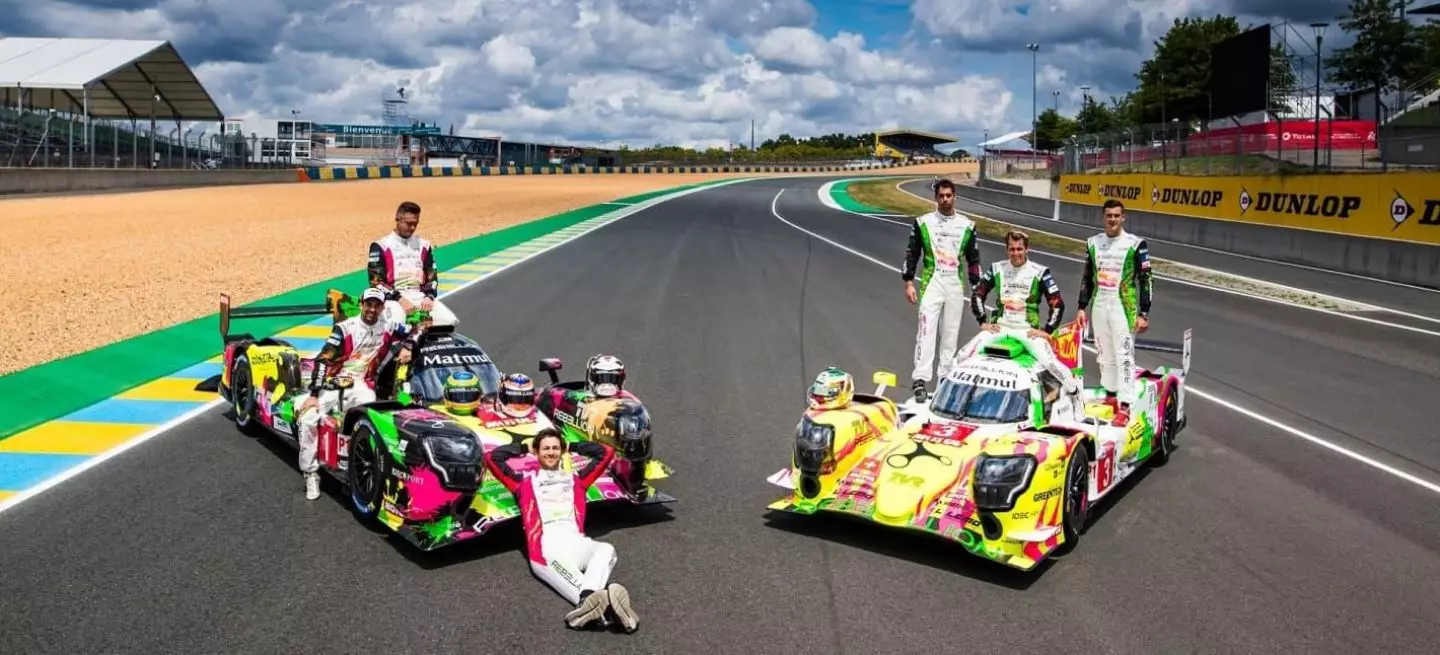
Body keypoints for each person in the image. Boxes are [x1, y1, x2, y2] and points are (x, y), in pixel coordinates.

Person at [484, 429, 640, 633]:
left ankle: (587, 609)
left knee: (606, 550)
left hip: (577, 542)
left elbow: (605, 452)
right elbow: (492, 458)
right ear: (537, 452)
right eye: (546, 448)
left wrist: (571, 445)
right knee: (592, 594)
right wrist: (524, 446)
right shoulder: (523, 483)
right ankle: (617, 614)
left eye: (556, 448)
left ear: (562, 451)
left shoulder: (577, 480)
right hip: (547, 552)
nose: (551, 452)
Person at [296, 288, 414, 500]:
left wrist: (409, 346)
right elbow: (323, 360)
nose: (371, 309)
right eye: (368, 304)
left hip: (359, 383)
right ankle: (310, 473)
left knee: (368, 417)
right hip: (332, 382)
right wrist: (314, 394)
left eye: (376, 305)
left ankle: (352, 469)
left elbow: (417, 327)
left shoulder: (388, 325)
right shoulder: (344, 329)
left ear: (381, 308)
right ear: (361, 304)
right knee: (307, 418)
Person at [964, 230, 1075, 394]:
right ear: (1006, 250)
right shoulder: (996, 268)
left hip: (1027, 331)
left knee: (1052, 365)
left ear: (1026, 249)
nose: (1015, 253)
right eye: (1012, 249)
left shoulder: (1040, 272)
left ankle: (1075, 397)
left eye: (1019, 249)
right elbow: (977, 294)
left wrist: (1047, 331)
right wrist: (983, 322)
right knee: (963, 356)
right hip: (1000, 329)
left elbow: (1057, 303)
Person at [901, 178, 981, 402]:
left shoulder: (968, 225)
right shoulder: (922, 222)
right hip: (931, 283)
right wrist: (908, 282)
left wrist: (976, 288)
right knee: (926, 331)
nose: (945, 200)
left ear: (955, 196)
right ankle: (920, 380)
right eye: (941, 196)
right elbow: (911, 253)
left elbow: (973, 259)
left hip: (955, 285)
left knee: (950, 335)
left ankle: (945, 380)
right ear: (935, 198)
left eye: (949, 195)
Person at [1076, 199, 1153, 427]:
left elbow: (1146, 280)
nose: (1112, 219)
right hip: (1100, 304)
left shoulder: (1136, 244)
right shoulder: (1093, 243)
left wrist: (1144, 313)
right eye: (1108, 215)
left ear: (1123, 217)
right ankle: (1110, 396)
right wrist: (1081, 306)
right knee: (1104, 354)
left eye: (1116, 215)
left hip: (1123, 307)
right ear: (1103, 217)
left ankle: (1126, 406)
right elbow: (1087, 277)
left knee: (1124, 356)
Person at [368, 200, 459, 328]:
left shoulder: (424, 245)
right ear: (398, 220)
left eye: (415, 224)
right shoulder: (381, 246)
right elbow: (376, 282)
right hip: (394, 299)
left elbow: (432, 276)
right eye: (409, 223)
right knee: (396, 325)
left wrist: (429, 296)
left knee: (448, 321)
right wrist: (400, 299)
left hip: (420, 297)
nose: (412, 228)